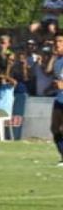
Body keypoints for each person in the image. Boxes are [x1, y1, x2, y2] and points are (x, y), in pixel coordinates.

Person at [44, 33, 63, 165]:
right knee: (54, 128)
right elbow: (47, 71)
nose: (57, 44)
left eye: (61, 41)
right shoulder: (58, 61)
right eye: (55, 41)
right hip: (60, 98)